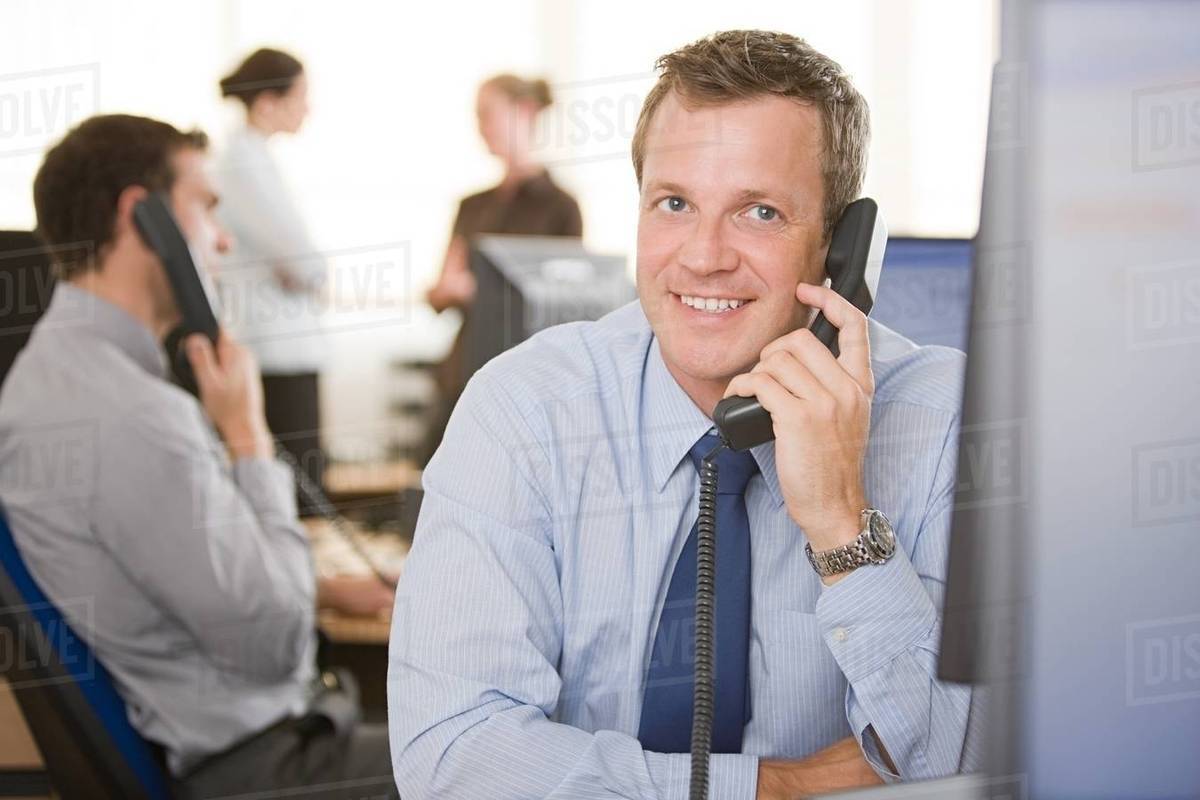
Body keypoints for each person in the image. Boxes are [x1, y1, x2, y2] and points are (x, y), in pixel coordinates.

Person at [388, 31, 978, 799]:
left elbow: (968, 761)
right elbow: (454, 759)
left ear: (841, 248)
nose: (702, 256)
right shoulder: (523, 411)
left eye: (759, 212)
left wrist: (840, 518)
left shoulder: (945, 422)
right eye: (674, 204)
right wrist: (786, 788)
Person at [0, 114, 396, 798]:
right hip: (253, 765)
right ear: (142, 216)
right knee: (522, 763)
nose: (223, 239)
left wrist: (321, 586)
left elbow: (165, 570)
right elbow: (272, 643)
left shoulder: (67, 376)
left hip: (243, 743)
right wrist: (247, 436)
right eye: (205, 208)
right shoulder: (129, 413)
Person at [422, 73, 584, 460]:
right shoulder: (472, 205)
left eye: (487, 114)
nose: (481, 128)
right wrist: (449, 290)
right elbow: (441, 290)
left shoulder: (561, 206)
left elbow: (570, 297)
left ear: (524, 111)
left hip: (529, 370)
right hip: (464, 366)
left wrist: (487, 291)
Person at [213, 48, 328, 504]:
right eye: (300, 95)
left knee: (300, 484)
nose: (307, 108)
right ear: (266, 102)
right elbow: (304, 261)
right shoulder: (242, 160)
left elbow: (299, 263)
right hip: (274, 347)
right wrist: (311, 271)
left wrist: (305, 270)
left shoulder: (256, 156)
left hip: (280, 343)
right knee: (297, 492)